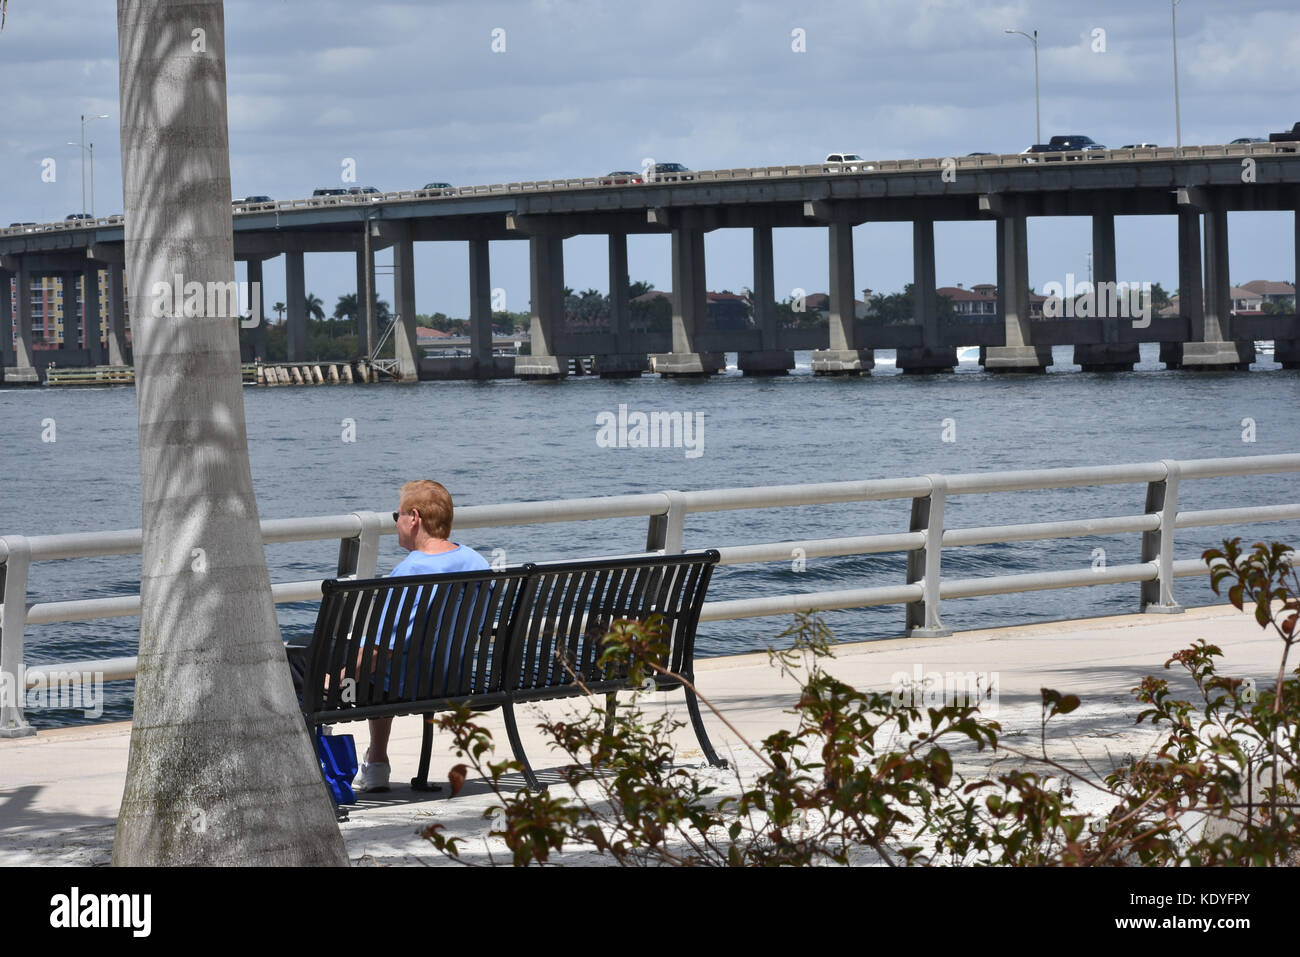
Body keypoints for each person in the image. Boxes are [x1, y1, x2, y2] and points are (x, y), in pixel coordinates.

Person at [354, 479, 490, 793]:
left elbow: (381, 649)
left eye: (396, 515)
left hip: (408, 685)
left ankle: (375, 764)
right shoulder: (477, 563)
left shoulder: (411, 571)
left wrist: (340, 679)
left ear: (414, 518)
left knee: (335, 665)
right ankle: (374, 764)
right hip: (453, 678)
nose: (396, 523)